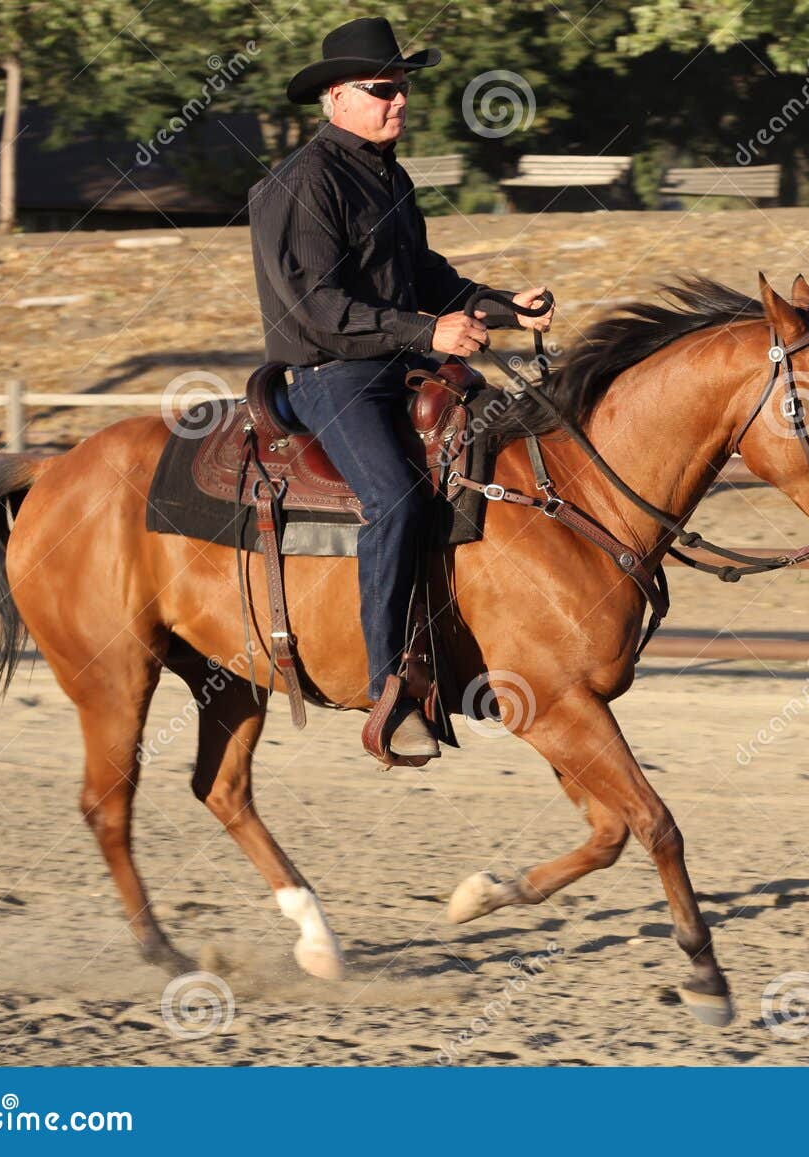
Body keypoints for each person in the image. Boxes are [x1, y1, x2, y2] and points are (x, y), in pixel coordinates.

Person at [248, 15, 553, 762]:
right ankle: (390, 687)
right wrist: (430, 334)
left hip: (403, 363)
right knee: (397, 499)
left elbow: (426, 277)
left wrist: (503, 305)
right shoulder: (301, 185)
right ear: (335, 98)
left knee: (510, 456)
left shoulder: (390, 175)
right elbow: (318, 310)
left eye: (404, 88)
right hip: (333, 374)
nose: (400, 102)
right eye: (384, 90)